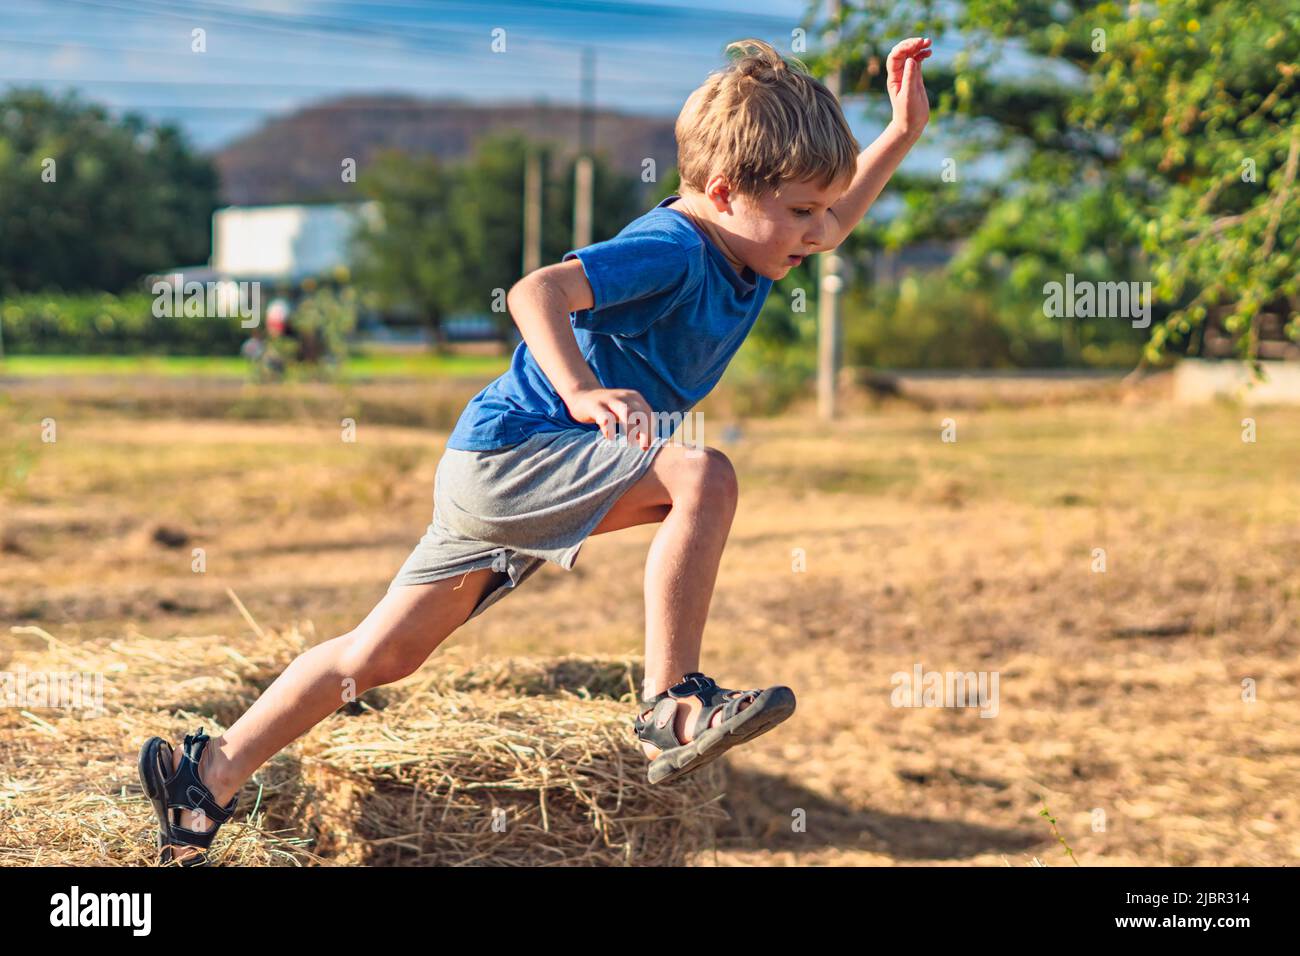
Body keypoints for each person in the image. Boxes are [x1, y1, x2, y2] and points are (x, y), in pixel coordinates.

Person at [137, 36, 932, 865]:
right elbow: (536, 291)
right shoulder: (677, 246)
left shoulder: (750, 241)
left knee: (380, 656)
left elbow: (836, 218)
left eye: (823, 209)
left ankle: (208, 774)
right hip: (519, 455)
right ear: (725, 193)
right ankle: (671, 700)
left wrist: (901, 132)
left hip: (501, 472)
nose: (820, 230)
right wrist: (582, 388)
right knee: (704, 472)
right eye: (803, 212)